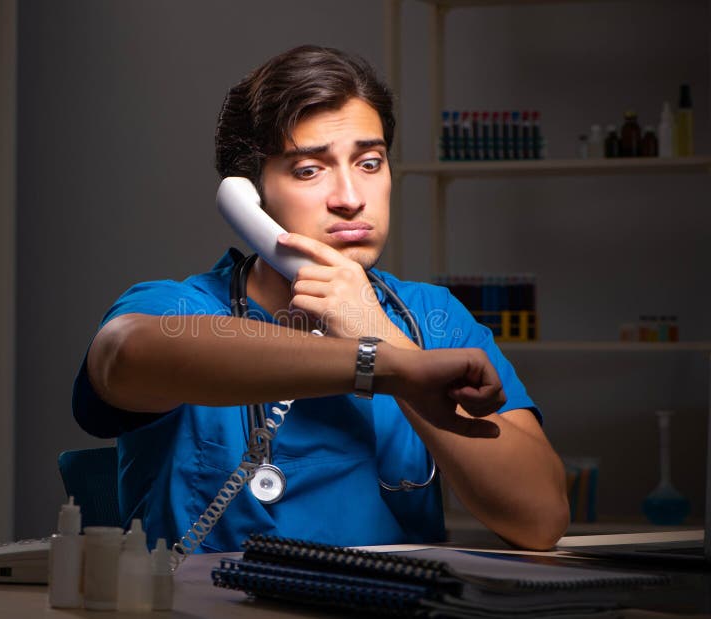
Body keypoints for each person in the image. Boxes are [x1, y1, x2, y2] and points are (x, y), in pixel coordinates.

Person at [73, 45, 569, 554]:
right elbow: (124, 353)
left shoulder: (431, 319)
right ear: (249, 197)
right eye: (310, 170)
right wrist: (388, 366)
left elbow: (540, 519)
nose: (351, 197)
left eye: (370, 162)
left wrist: (373, 325)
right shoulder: (184, 307)